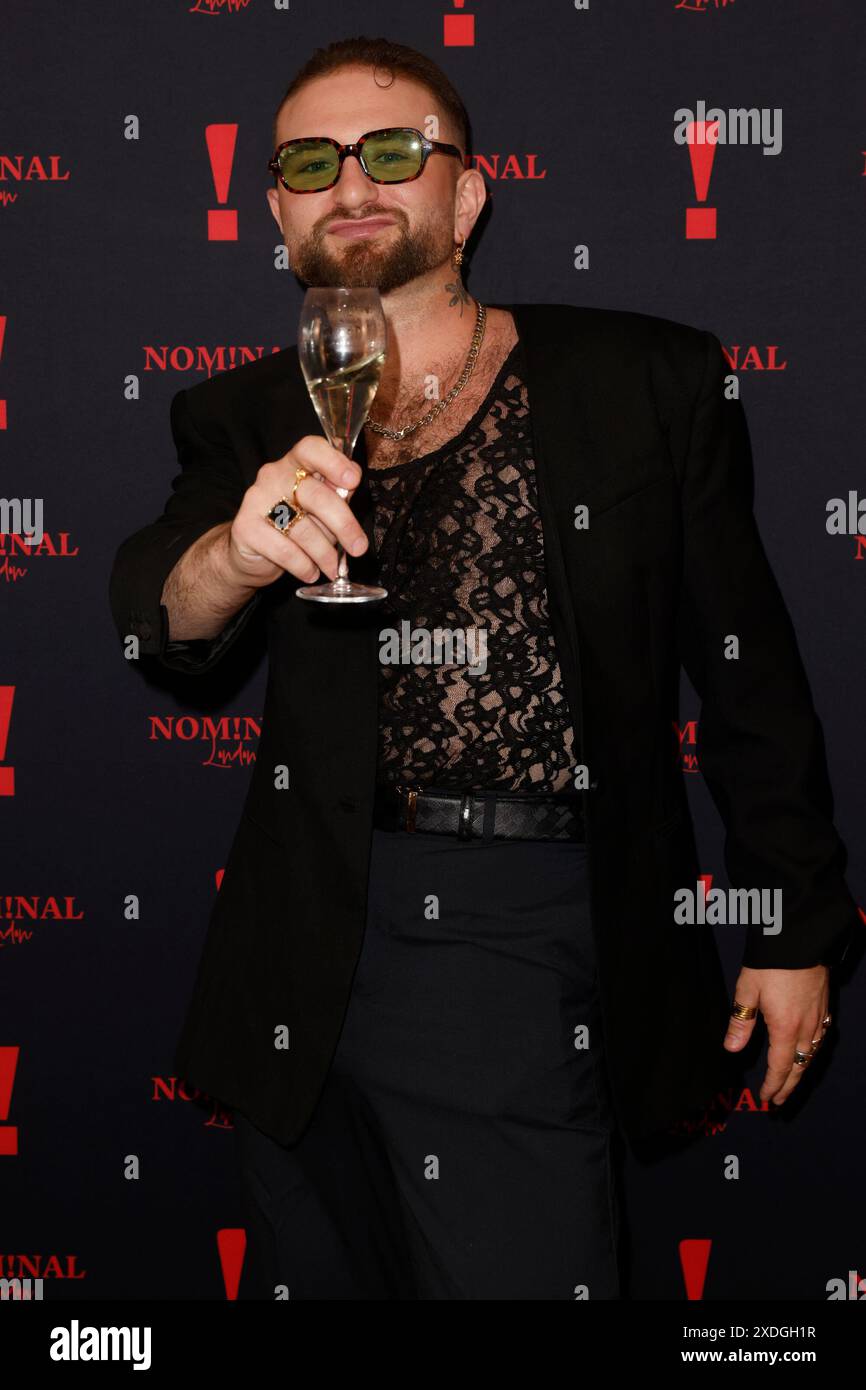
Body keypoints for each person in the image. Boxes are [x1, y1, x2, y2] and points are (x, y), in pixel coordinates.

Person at [109, 36, 860, 1300]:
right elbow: (160, 615)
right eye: (311, 162)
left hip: (529, 930)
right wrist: (235, 557)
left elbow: (748, 676)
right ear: (278, 211)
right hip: (297, 949)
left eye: (392, 152)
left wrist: (790, 925)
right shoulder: (238, 414)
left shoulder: (643, 380)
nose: (351, 184)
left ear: (466, 195)